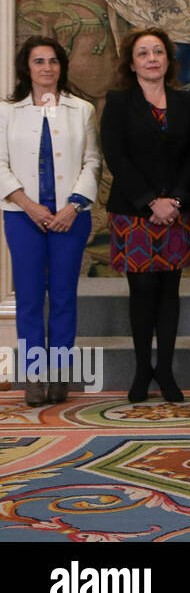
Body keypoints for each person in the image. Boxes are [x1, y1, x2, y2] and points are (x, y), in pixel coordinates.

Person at [100, 28, 190, 404]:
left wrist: (172, 200)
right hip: (133, 211)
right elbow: (117, 158)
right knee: (142, 291)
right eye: (143, 53)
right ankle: (143, 370)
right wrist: (149, 202)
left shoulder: (186, 103)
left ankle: (167, 371)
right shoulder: (118, 102)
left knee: (169, 291)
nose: (152, 58)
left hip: (176, 211)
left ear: (168, 60)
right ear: (132, 63)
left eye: (158, 52)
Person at [0, 36, 100, 406]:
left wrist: (73, 205)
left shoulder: (82, 110)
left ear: (61, 66)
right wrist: (29, 205)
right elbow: (0, 165)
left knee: (62, 297)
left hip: (69, 218)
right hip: (23, 216)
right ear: (27, 68)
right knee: (28, 298)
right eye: (39, 61)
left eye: (53, 61)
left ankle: (59, 375)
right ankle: (34, 377)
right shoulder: (7, 112)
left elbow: (92, 161)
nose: (47, 68)